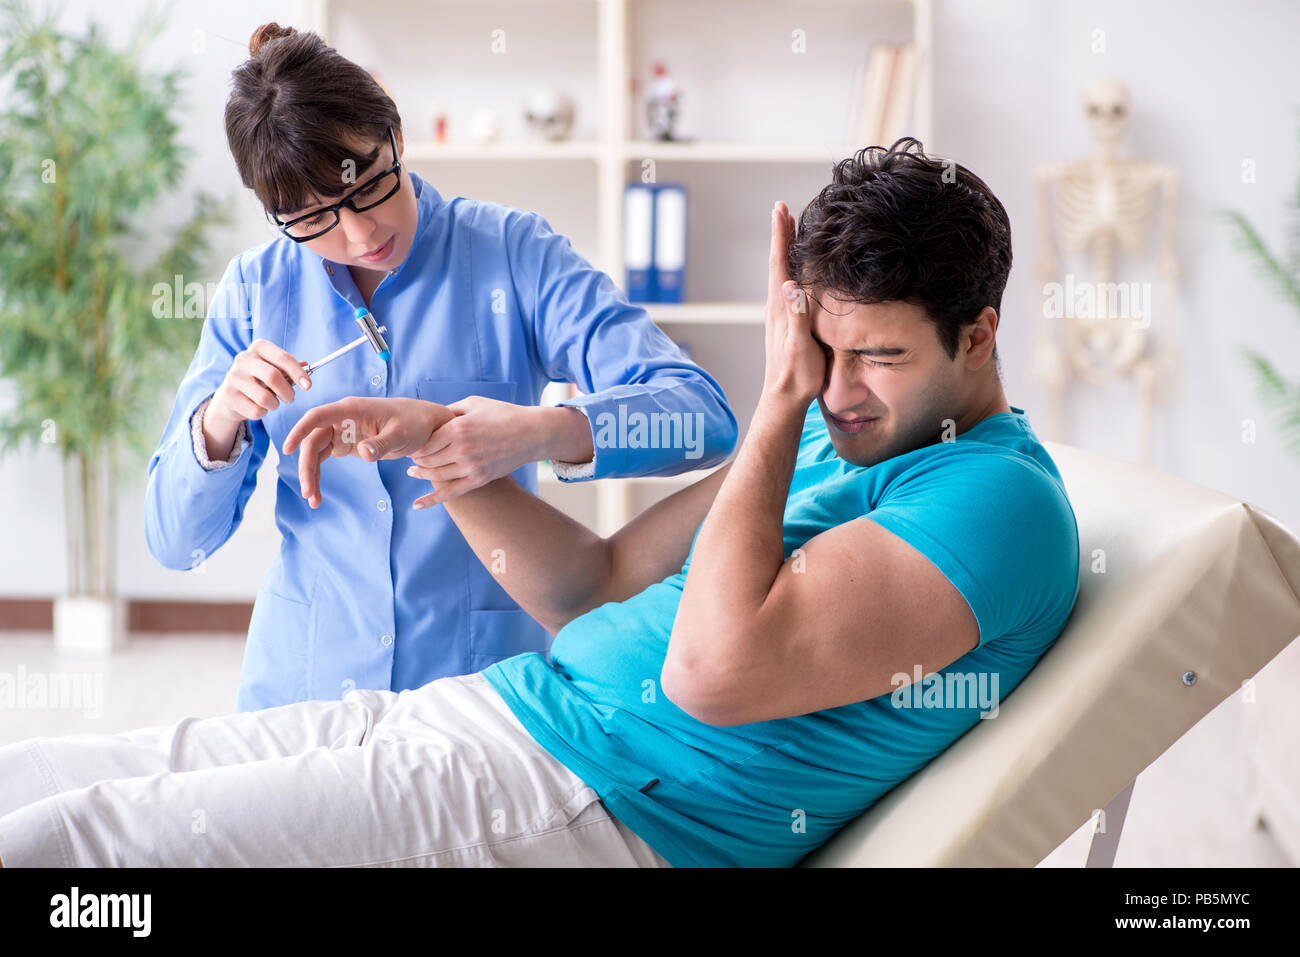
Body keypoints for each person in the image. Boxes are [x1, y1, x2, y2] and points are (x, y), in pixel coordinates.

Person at [0, 140, 1080, 868]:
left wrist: (776, 396)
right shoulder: (839, 447)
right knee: (72, 771)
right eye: (820, 353)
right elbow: (591, 586)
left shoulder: (995, 500)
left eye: (875, 359)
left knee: (104, 839)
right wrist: (444, 443)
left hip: (591, 798)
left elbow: (710, 674)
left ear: (977, 335)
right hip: (503, 708)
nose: (837, 391)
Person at [143, 23, 737, 712]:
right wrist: (219, 421)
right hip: (302, 702)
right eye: (314, 218)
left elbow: (703, 420)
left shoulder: (514, 252)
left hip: (478, 696)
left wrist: (544, 431)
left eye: (367, 182)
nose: (361, 234)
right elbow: (174, 542)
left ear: (394, 134)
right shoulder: (255, 289)